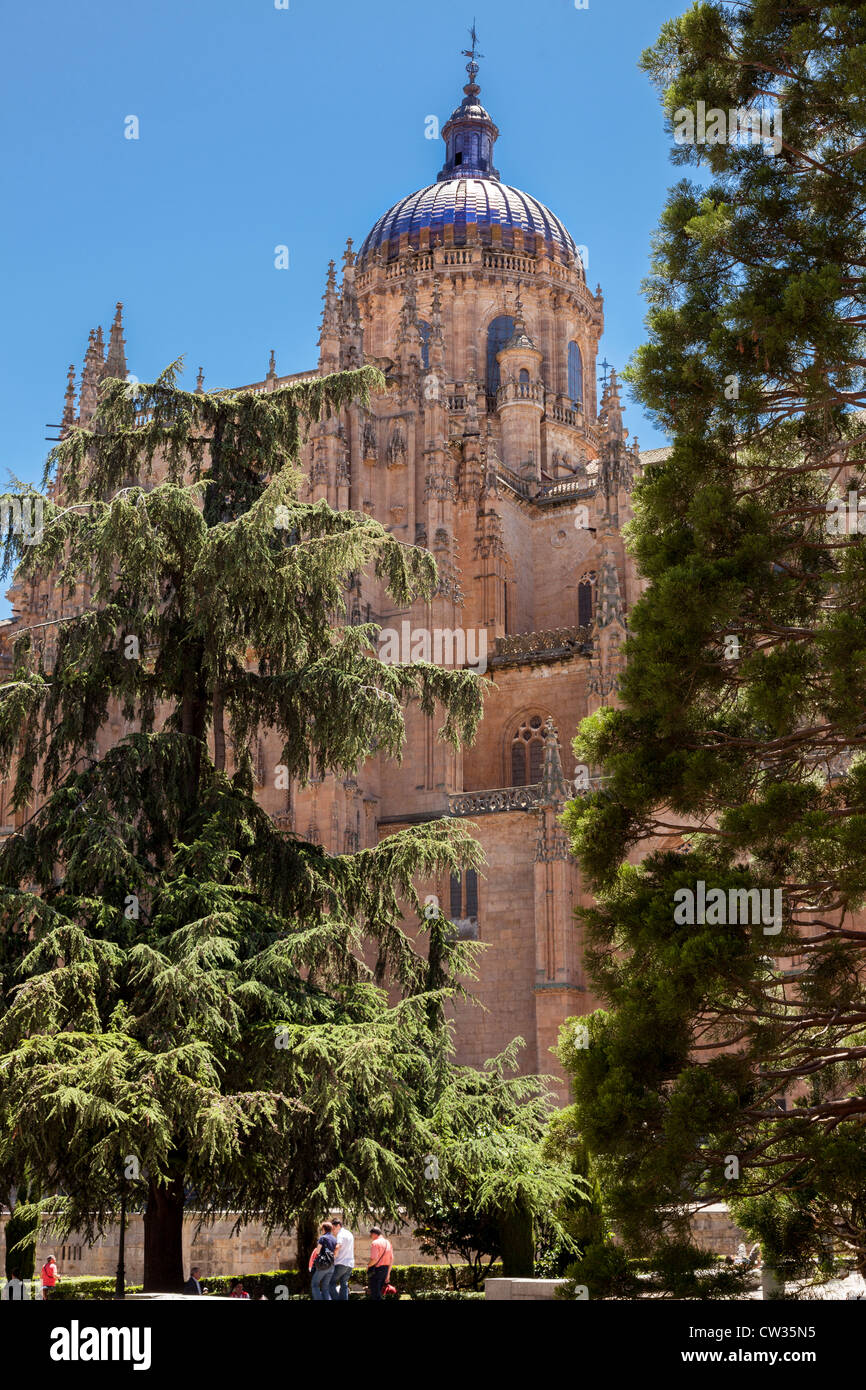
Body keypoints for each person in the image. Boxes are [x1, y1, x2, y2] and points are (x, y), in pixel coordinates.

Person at [309, 1221, 337, 1300]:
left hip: (323, 1265)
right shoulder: (334, 1239)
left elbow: (317, 1251)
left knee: (315, 1284)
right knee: (325, 1287)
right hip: (331, 1265)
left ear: (324, 1229)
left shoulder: (322, 1238)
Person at [328, 1218, 355, 1302]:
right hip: (350, 1264)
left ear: (338, 1226)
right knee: (344, 1284)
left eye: (333, 1228)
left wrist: (333, 1258)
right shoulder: (349, 1234)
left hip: (341, 1263)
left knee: (330, 1283)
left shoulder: (340, 1234)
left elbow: (337, 1246)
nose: (333, 1231)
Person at [367, 1226, 393, 1301]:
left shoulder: (375, 1243)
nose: (371, 1237)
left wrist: (368, 1266)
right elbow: (391, 1259)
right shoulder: (388, 1243)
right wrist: (388, 1274)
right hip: (385, 1270)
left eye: (371, 1235)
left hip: (377, 1270)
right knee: (378, 1293)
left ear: (374, 1234)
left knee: (375, 1294)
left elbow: (374, 1259)